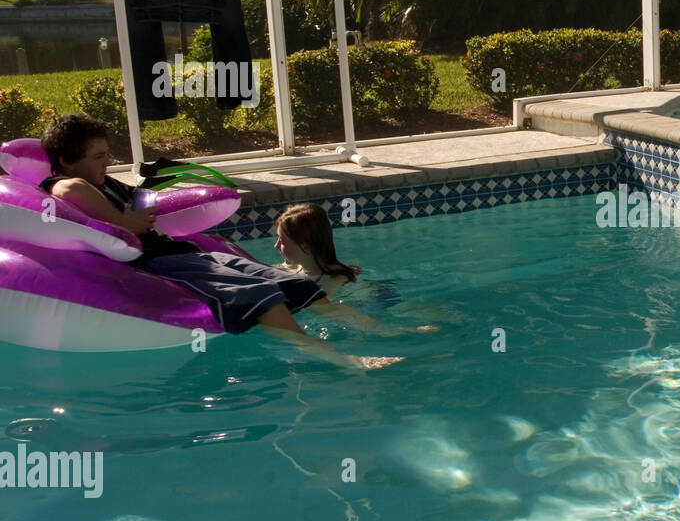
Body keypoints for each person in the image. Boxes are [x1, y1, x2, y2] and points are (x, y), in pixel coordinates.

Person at [38, 113, 400, 369]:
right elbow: (117, 221)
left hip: (188, 253)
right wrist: (129, 220)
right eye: (99, 156)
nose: (107, 162)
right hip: (160, 263)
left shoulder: (99, 182)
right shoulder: (70, 184)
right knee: (259, 296)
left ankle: (384, 331)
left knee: (290, 281)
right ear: (68, 160)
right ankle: (343, 361)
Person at [273, 203, 438, 334]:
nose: (276, 246)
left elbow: (349, 317)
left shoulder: (334, 282)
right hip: (368, 292)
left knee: (409, 312)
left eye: (282, 241)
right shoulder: (295, 267)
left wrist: (396, 330)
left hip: (380, 300)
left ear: (306, 247)